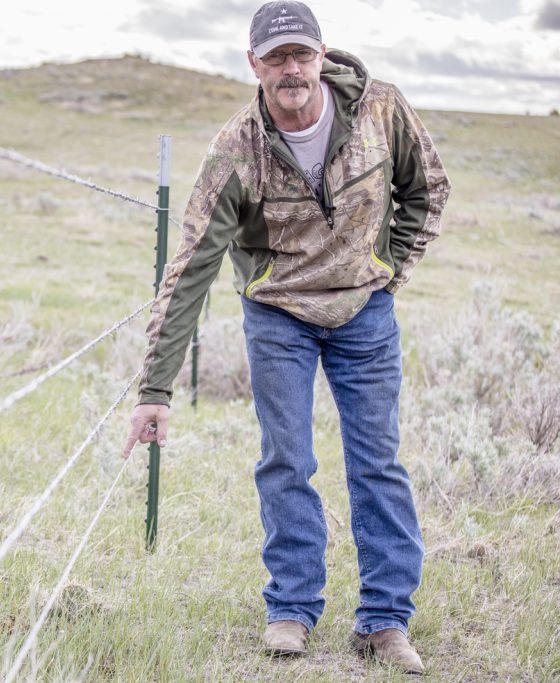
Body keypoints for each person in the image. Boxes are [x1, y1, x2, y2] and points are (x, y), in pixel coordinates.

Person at [121, 0, 450, 675]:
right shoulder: (234, 150)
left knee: (377, 462)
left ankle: (385, 621)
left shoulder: (381, 109)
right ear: (254, 65)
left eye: (301, 53)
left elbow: (429, 188)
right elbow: (189, 269)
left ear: (322, 56)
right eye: (276, 58)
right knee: (286, 460)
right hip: (277, 316)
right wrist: (154, 388)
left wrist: (389, 269)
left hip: (365, 310)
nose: (291, 69)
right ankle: (292, 609)